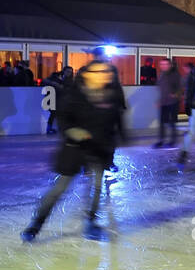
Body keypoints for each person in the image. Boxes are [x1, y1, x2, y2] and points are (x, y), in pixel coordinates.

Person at [21, 61, 124, 242]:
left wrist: (117, 138)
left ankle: (91, 221)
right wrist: (74, 131)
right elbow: (64, 118)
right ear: (87, 74)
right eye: (99, 72)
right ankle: (36, 223)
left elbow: (115, 120)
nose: (105, 75)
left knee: (97, 187)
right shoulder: (73, 94)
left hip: (99, 150)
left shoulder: (111, 95)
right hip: (75, 149)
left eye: (106, 71)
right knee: (60, 188)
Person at [154, 59, 182, 148]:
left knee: (172, 122)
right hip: (164, 103)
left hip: (173, 102)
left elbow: (180, 87)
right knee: (162, 122)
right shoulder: (161, 75)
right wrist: (160, 101)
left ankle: (172, 140)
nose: (163, 66)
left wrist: (176, 94)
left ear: (170, 65)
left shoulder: (175, 75)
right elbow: (162, 89)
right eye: (162, 64)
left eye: (165, 64)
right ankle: (161, 140)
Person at [43, 66, 73, 134]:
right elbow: (45, 81)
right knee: (54, 113)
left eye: (70, 72)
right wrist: (55, 84)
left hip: (61, 99)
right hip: (53, 98)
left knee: (58, 113)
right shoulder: (56, 76)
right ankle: (50, 128)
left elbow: (67, 89)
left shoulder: (69, 80)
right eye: (68, 71)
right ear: (64, 71)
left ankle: (54, 128)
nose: (69, 73)